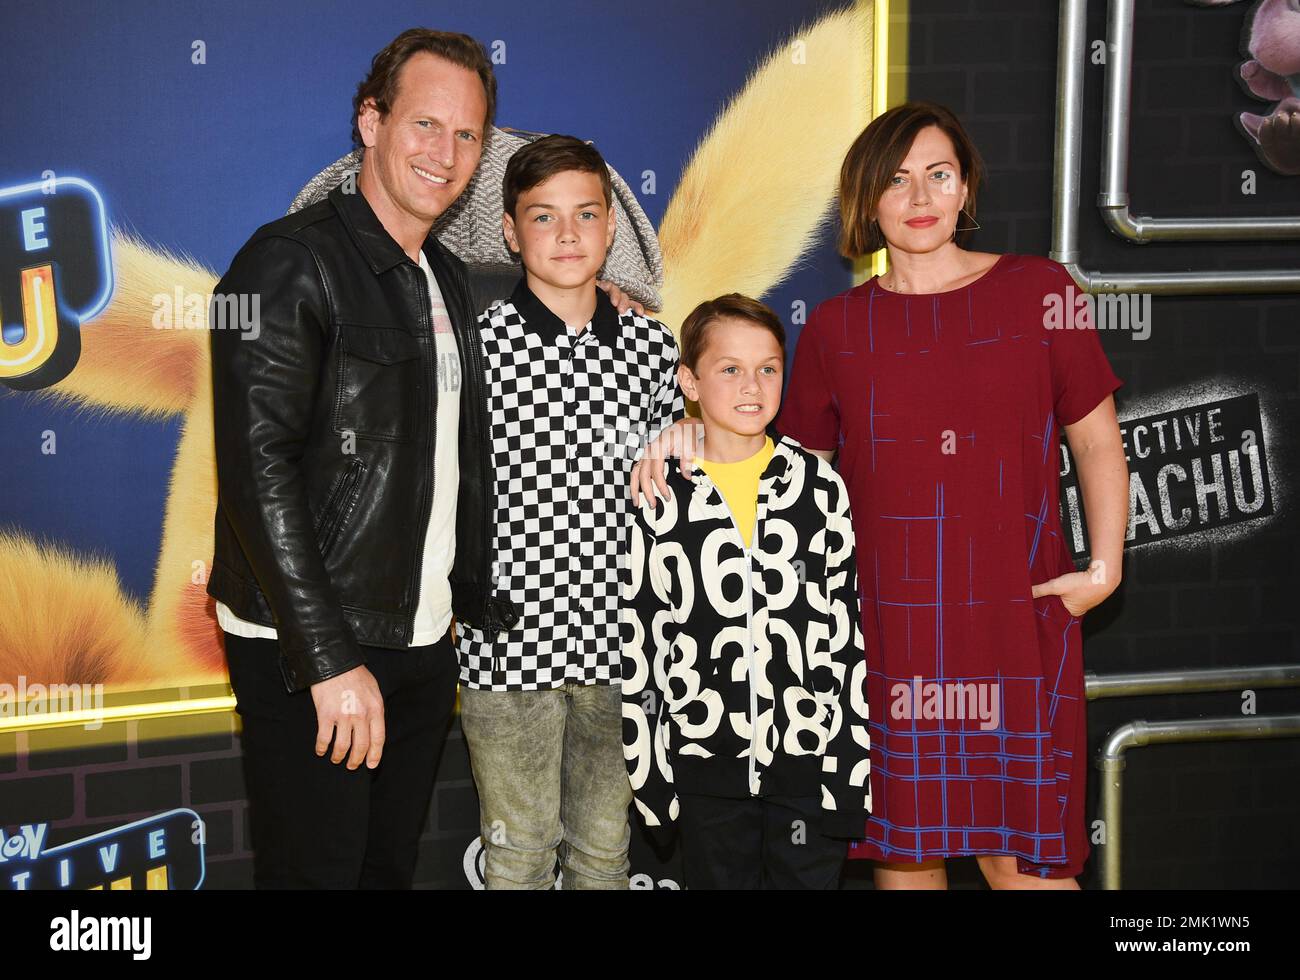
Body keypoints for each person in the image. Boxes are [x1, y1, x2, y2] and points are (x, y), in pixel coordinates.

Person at [632, 101, 1129, 889]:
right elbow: (783, 465)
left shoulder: (1043, 289)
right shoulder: (834, 329)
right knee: (906, 858)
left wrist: (1104, 569)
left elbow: (1099, 440)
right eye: (896, 181)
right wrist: (687, 433)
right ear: (867, 202)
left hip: (1013, 622)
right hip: (886, 635)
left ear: (966, 189)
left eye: (939, 174)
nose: (921, 196)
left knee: (1023, 865)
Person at [208, 29, 636, 889]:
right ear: (371, 122)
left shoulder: (442, 271)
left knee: (384, 870)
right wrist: (327, 659)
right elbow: (257, 472)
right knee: (316, 874)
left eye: (468, 135)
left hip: (417, 637)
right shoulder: (282, 263)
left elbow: (544, 303)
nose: (446, 154)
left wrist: (609, 297)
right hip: (313, 647)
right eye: (424, 125)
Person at [454, 135, 684, 889]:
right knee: (517, 855)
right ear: (511, 232)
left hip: (624, 646)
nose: (567, 235)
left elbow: (685, 485)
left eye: (585, 214)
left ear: (612, 224)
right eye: (543, 218)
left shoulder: (654, 348)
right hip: (507, 646)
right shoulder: (473, 350)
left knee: (603, 856)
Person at [622, 294, 871, 889]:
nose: (752, 385)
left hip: (807, 760)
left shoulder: (818, 486)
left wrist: (847, 768)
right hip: (706, 763)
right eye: (729, 368)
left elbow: (845, 636)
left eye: (768, 368)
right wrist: (651, 776)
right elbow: (639, 640)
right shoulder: (659, 492)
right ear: (690, 380)